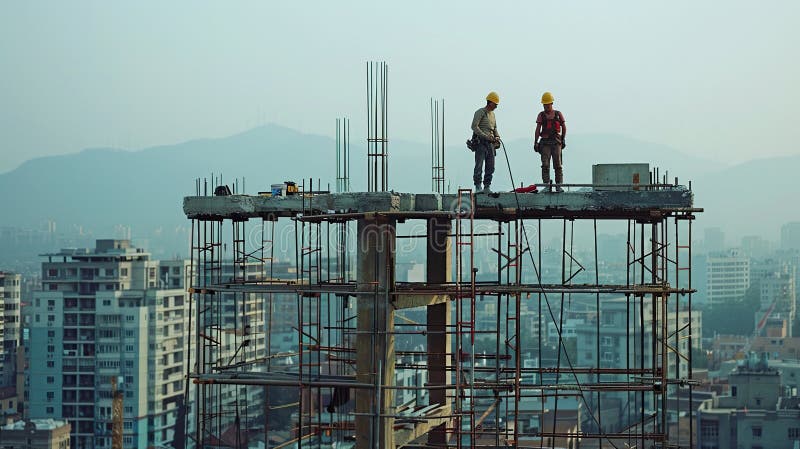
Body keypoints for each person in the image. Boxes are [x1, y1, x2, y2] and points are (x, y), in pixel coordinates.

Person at [533, 91, 567, 192]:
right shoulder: (541, 115)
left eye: (547, 104)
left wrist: (563, 138)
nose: (545, 106)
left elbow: (564, 126)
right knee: (545, 165)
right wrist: (536, 142)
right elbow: (538, 129)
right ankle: (547, 185)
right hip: (545, 143)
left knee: (558, 164)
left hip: (556, 142)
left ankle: (558, 185)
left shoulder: (558, 114)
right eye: (544, 105)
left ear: (551, 103)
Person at [471, 91, 501, 193]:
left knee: (490, 166)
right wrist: (485, 136)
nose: (496, 106)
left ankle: (487, 186)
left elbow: (494, 128)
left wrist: (497, 136)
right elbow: (474, 126)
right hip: (481, 143)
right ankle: (478, 186)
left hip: (490, 144)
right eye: (495, 104)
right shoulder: (480, 112)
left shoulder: (493, 115)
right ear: (490, 102)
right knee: (479, 165)